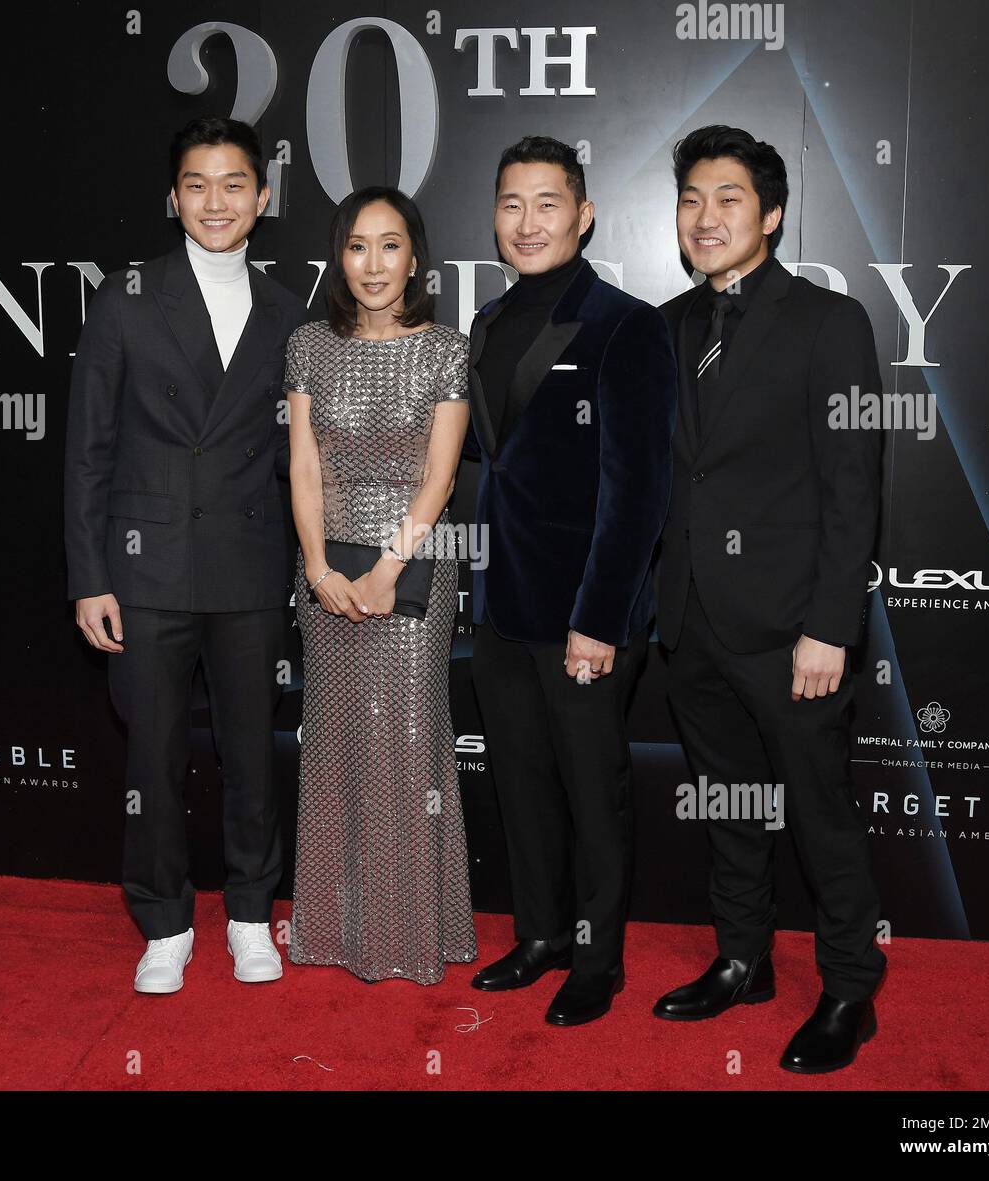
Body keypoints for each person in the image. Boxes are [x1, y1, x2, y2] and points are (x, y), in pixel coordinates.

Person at [652, 125, 886, 1073]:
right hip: (690, 618)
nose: (705, 217)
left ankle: (850, 990)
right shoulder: (667, 324)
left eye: (729, 198)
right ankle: (741, 958)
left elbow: (853, 486)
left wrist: (830, 626)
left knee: (820, 813)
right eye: (691, 199)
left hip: (792, 629)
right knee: (729, 803)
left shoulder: (831, 322)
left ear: (774, 213)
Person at [64, 116, 307, 994]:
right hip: (148, 569)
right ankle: (163, 922)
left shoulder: (289, 313)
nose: (216, 201)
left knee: (251, 757)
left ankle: (249, 914)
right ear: (174, 198)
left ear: (262, 196)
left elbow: (300, 458)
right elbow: (87, 450)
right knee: (154, 762)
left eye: (234, 183)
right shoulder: (126, 296)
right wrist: (90, 576)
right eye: (197, 184)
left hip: (248, 566)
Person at [465, 136, 677, 1025]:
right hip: (501, 607)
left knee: (593, 794)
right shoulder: (486, 322)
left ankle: (598, 960)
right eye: (512, 204)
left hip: (585, 613)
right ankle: (542, 935)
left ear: (583, 215)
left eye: (547, 203)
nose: (528, 222)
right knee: (522, 786)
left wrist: (599, 617)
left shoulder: (626, 324)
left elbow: (637, 491)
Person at [284, 185, 476, 984]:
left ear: (415, 257)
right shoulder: (307, 345)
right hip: (327, 570)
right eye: (357, 245)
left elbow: (440, 477)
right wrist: (319, 569)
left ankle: (412, 933)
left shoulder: (445, 349)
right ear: (339, 257)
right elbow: (303, 467)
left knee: (408, 737)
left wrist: (388, 567)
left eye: (389, 245)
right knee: (333, 742)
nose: (373, 263)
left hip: (414, 565)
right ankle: (335, 928)